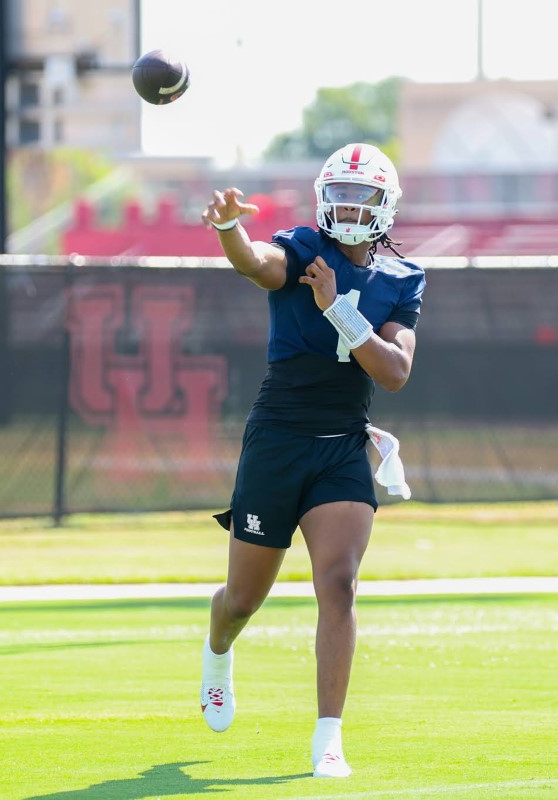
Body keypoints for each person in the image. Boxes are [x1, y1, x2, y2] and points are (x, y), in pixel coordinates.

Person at [198, 143, 424, 779]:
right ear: (325, 198)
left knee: (339, 583)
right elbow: (255, 263)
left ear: (385, 207)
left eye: (364, 195)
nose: (351, 206)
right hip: (277, 438)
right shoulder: (301, 249)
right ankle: (218, 650)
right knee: (243, 599)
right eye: (342, 193)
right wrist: (228, 228)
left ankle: (329, 736)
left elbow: (397, 372)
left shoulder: (402, 279)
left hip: (342, 443)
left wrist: (342, 315)